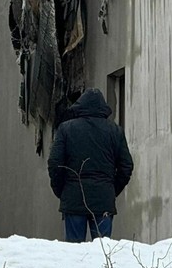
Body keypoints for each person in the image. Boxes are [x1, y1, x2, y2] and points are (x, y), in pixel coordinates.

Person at [47, 88, 134, 242]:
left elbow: (55, 163)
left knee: (73, 252)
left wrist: (62, 190)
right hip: (103, 198)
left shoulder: (66, 129)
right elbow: (126, 167)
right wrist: (111, 190)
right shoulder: (115, 131)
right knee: (102, 251)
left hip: (73, 197)